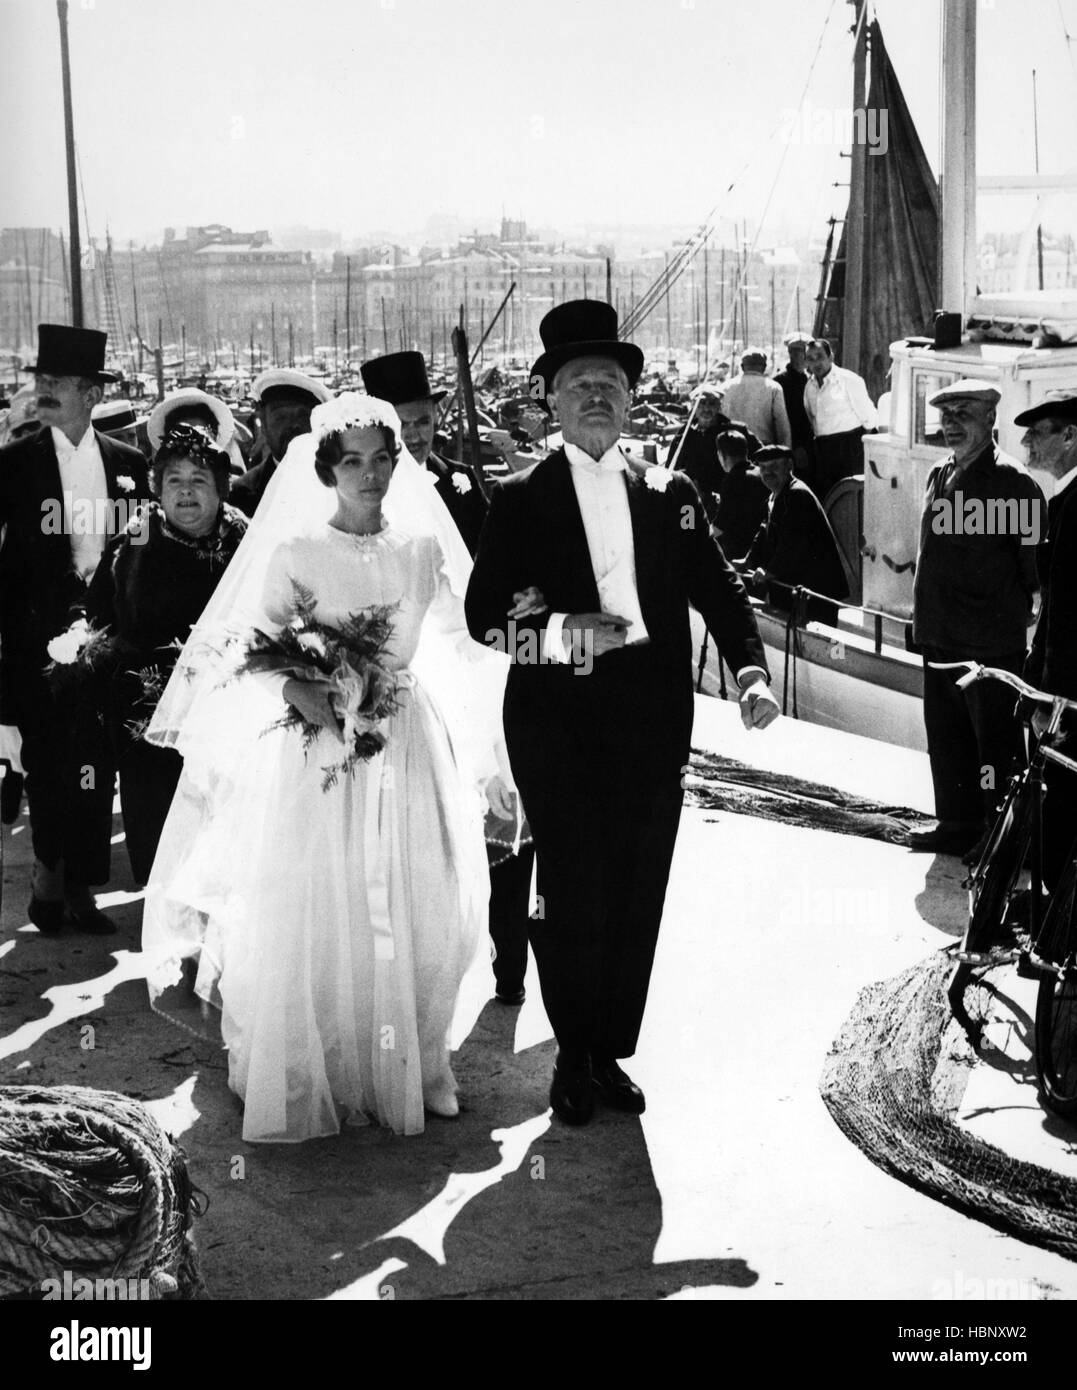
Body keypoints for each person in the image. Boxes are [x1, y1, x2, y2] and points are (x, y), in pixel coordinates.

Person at [142, 394, 510, 1142]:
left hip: (404, 739)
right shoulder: (296, 552)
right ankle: (321, 1065)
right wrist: (293, 686)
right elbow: (245, 652)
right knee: (320, 898)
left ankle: (414, 1063)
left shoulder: (419, 549)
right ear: (325, 470)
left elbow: (460, 635)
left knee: (421, 896)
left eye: (382, 459)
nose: (369, 475)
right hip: (318, 749)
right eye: (352, 461)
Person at [465, 300, 779, 1127]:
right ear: (550, 403)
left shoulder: (671, 493)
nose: (595, 396)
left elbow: (721, 592)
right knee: (572, 890)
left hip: (649, 722)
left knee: (637, 886)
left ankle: (608, 1051)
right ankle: (570, 1052)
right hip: (555, 727)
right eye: (578, 384)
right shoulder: (518, 498)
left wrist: (749, 672)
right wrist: (565, 635)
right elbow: (485, 622)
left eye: (610, 382)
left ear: (632, 399)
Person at [361, 350, 534, 1006]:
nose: (416, 434)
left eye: (425, 420)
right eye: (403, 423)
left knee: (501, 801)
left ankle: (509, 958)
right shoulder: (356, 496)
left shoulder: (464, 485)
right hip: (406, 676)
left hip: (472, 661)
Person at [0, 324, 149, 935]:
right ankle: (47, 869)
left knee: (96, 766)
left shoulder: (129, 465)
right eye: (41, 382)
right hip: (36, 643)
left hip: (108, 644)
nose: (44, 392)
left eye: (57, 384)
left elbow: (139, 548)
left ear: (90, 393)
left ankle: (84, 885)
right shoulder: (12, 465)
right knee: (47, 759)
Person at [83, 425, 247, 885]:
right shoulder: (133, 543)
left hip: (225, 716)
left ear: (220, 487)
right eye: (174, 480)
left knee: (224, 844)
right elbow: (97, 615)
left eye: (199, 479)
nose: (186, 491)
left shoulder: (246, 543)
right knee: (159, 846)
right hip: (147, 723)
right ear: (158, 488)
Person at [910, 380, 1046, 860]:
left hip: (988, 647)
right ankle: (956, 823)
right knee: (947, 742)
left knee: (996, 751)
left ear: (990, 420)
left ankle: (1001, 838)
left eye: (963, 415)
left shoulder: (1014, 485)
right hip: (940, 636)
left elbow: (1035, 574)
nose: (951, 425)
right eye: (946, 417)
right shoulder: (937, 474)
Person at [1016, 389, 1077, 890]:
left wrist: (1049, 699)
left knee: (1061, 809)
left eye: (1038, 432)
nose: (1026, 441)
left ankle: (1058, 946)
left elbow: (1068, 617)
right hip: (1062, 684)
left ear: (1070, 437)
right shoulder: (1065, 501)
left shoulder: (1075, 508)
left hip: (1070, 694)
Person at [361, 352, 488, 555]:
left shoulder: (462, 478)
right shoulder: (362, 488)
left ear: (435, 418)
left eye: (423, 422)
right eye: (402, 425)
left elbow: (495, 553)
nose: (413, 437)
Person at [739, 445, 848, 624]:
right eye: (763, 468)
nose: (767, 473)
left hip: (814, 590)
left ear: (789, 466)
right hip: (795, 586)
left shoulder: (797, 495)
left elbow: (792, 541)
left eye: (774, 467)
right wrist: (748, 561)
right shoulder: (776, 496)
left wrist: (769, 571)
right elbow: (764, 531)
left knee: (820, 643)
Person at [229, 369, 332, 517]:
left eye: (303, 416)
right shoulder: (241, 493)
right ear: (264, 425)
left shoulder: (342, 485)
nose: (293, 425)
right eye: (281, 417)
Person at [803, 338, 877, 499]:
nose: (816, 363)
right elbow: (812, 419)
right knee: (829, 498)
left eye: (820, 356)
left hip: (850, 447)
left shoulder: (848, 380)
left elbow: (869, 417)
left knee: (852, 496)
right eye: (811, 359)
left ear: (831, 357)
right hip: (824, 450)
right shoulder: (809, 387)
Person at [664, 384, 730, 527]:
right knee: (688, 535)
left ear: (719, 406)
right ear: (693, 407)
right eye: (701, 403)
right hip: (690, 500)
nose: (706, 409)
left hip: (723, 503)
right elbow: (671, 469)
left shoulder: (732, 432)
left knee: (717, 541)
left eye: (712, 404)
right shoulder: (684, 434)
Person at [148, 386, 246, 475]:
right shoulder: (160, 484)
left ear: (213, 437)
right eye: (184, 435)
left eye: (200, 436)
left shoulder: (236, 484)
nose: (192, 442)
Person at [712, 429, 770, 563]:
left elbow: (720, 526)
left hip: (740, 554)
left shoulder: (733, 479)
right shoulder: (759, 473)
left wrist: (696, 535)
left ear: (721, 455)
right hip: (763, 548)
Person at [718, 349, 792, 448]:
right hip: (762, 448)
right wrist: (786, 450)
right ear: (764, 367)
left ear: (742, 367)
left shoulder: (725, 387)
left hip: (731, 447)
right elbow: (781, 424)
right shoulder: (773, 387)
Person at [774, 332, 814, 482]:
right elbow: (787, 417)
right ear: (791, 354)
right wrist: (796, 447)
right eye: (797, 352)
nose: (802, 357)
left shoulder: (809, 380)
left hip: (810, 445)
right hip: (794, 446)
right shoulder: (781, 382)